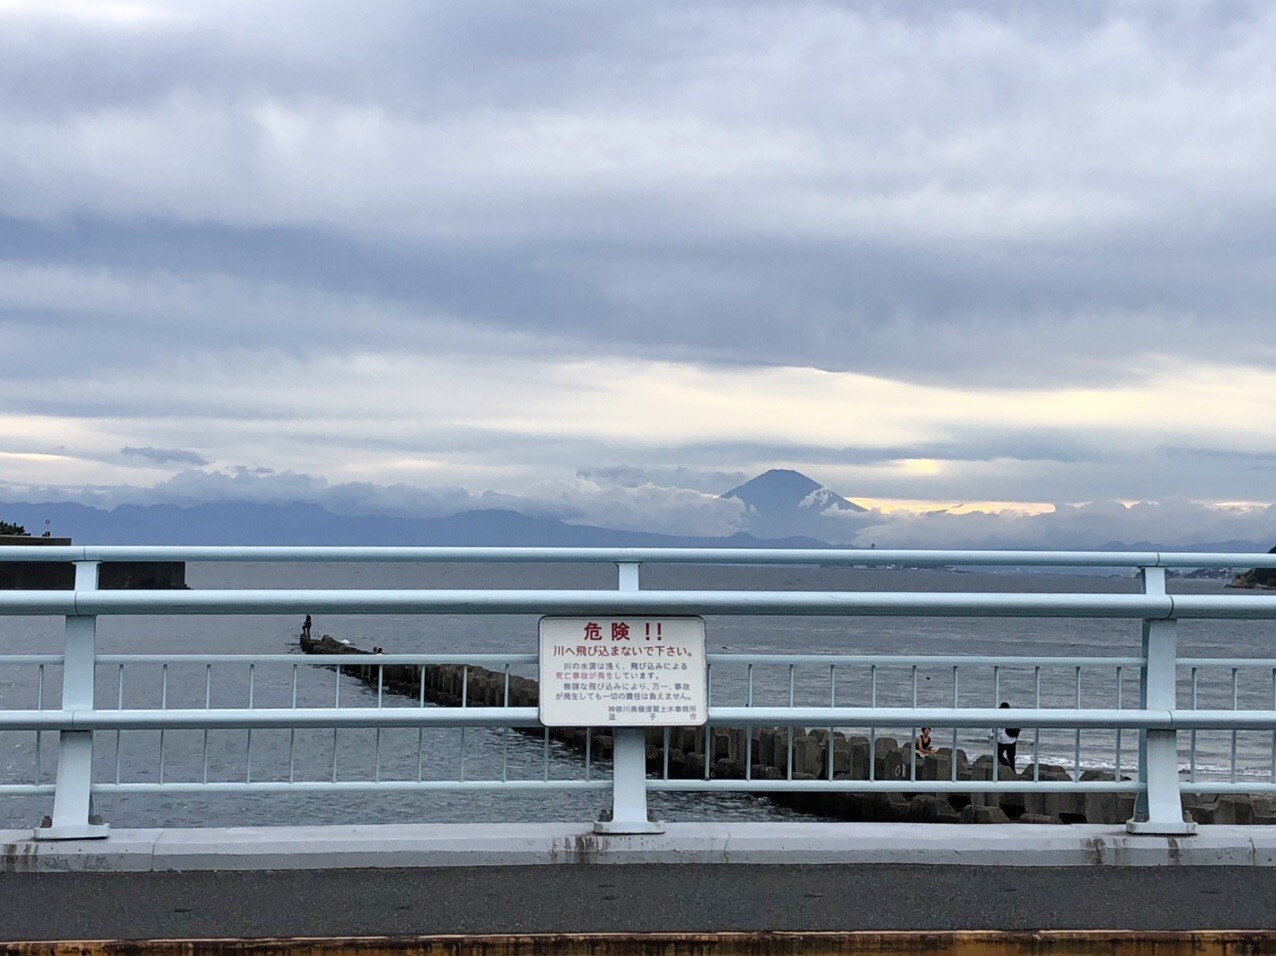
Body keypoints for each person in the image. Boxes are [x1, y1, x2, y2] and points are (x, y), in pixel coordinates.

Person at [996, 702, 1021, 772]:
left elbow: (999, 730)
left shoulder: (1000, 717)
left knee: (999, 755)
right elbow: (1019, 728)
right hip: (1012, 740)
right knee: (1011, 757)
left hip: (1003, 740)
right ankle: (1012, 771)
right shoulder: (1013, 717)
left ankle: (1007, 767)